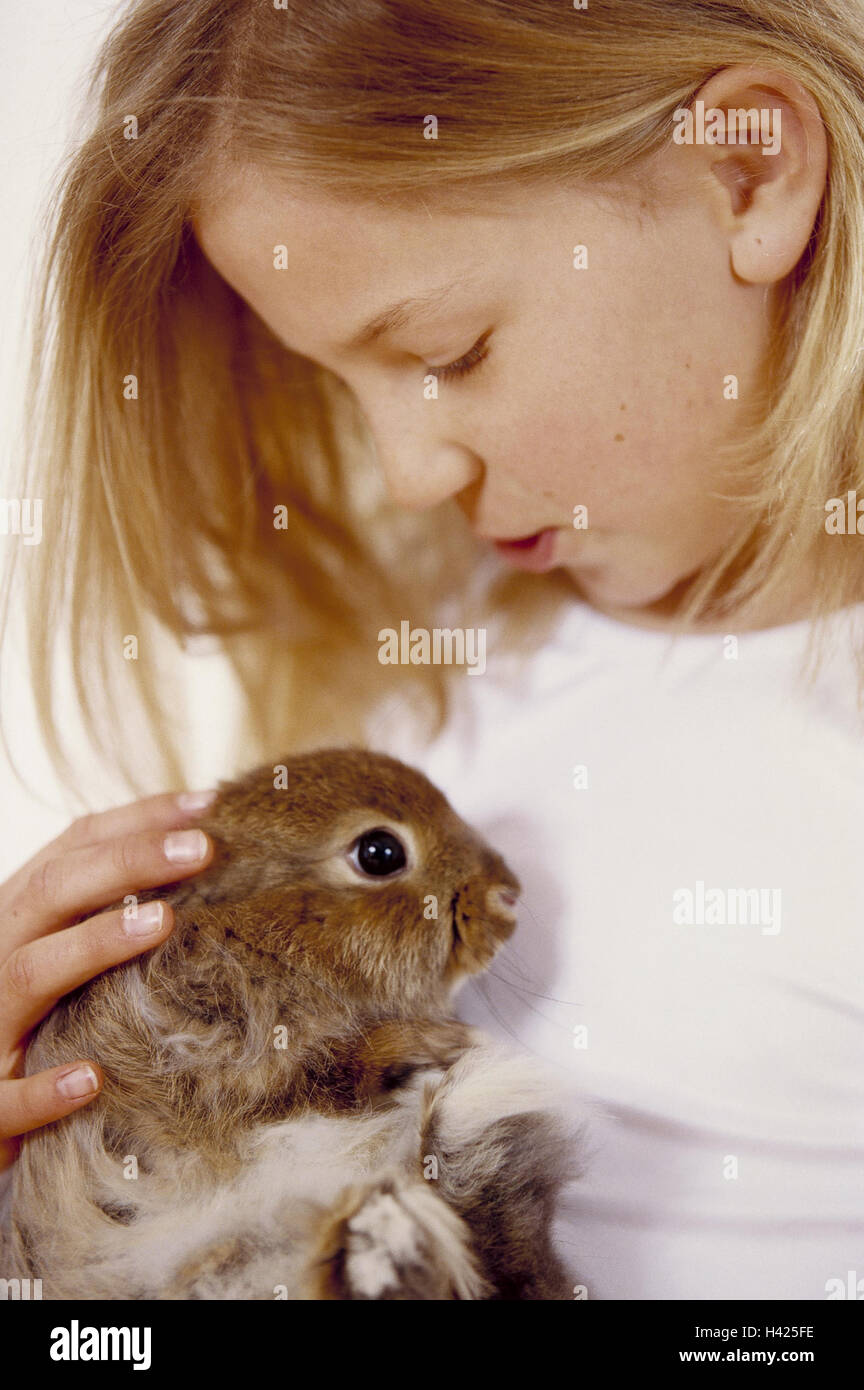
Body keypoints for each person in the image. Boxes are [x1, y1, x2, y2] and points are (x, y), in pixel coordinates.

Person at [2, 0, 863, 1298]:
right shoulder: (425, 648)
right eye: (337, 381)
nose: (404, 474)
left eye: (448, 351)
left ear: (744, 170)